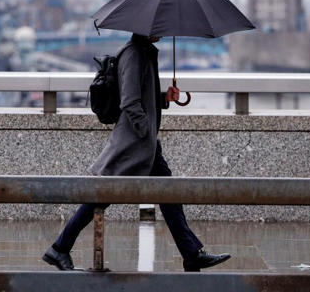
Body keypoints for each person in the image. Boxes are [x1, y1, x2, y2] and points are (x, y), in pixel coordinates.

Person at [43, 33, 231, 272]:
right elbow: (130, 102)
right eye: (158, 28)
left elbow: (144, 97)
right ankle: (59, 248)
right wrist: (145, 131)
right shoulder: (133, 54)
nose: (162, 32)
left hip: (145, 145)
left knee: (170, 195)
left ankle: (191, 254)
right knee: (100, 195)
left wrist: (165, 98)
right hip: (132, 145)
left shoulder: (144, 52)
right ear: (145, 28)